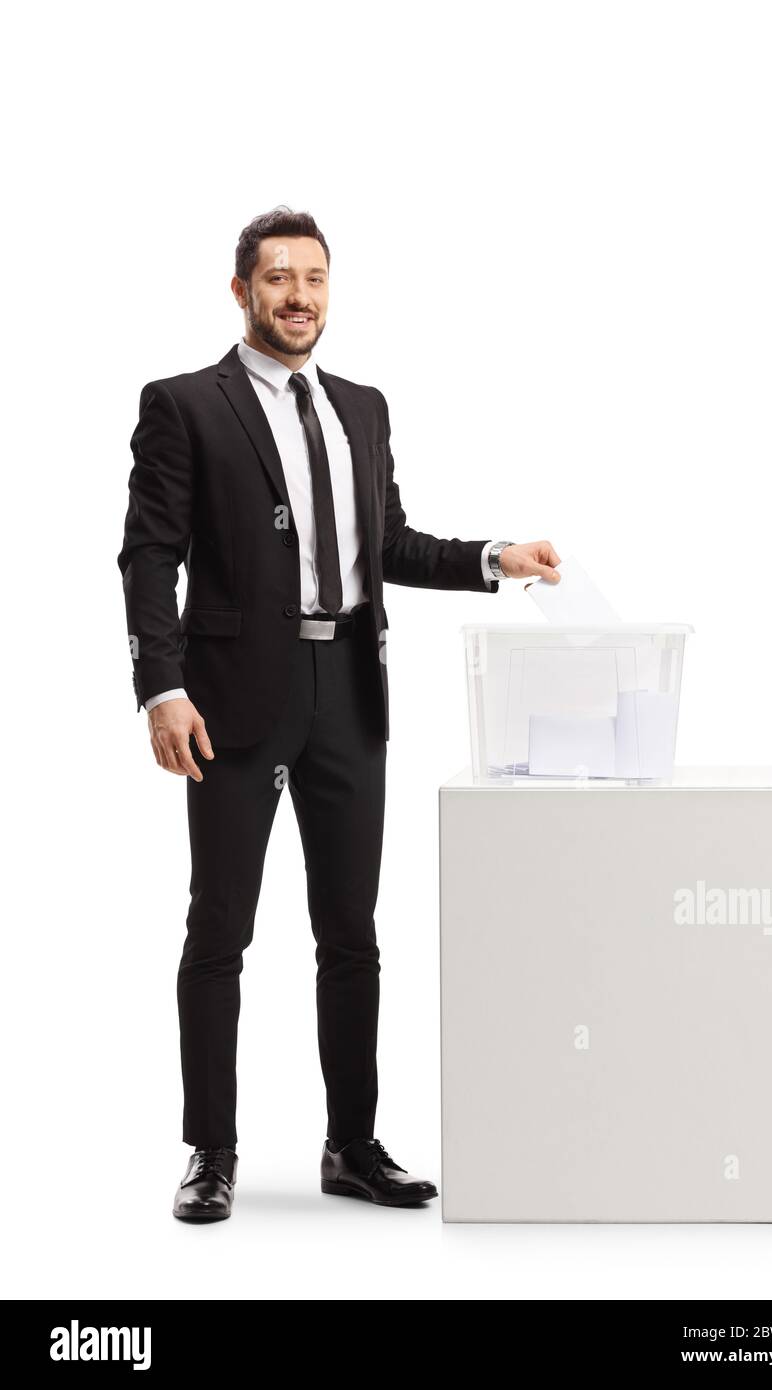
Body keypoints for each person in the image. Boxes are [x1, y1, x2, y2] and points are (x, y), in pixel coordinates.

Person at [118, 205, 562, 1222]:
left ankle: (351, 1146)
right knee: (218, 929)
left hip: (348, 695)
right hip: (228, 704)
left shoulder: (361, 407)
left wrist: (494, 559)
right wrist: (161, 687)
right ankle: (210, 1150)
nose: (298, 297)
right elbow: (149, 557)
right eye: (277, 279)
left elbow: (389, 546)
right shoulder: (186, 404)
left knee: (350, 932)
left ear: (330, 289)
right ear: (241, 292)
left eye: (313, 278)